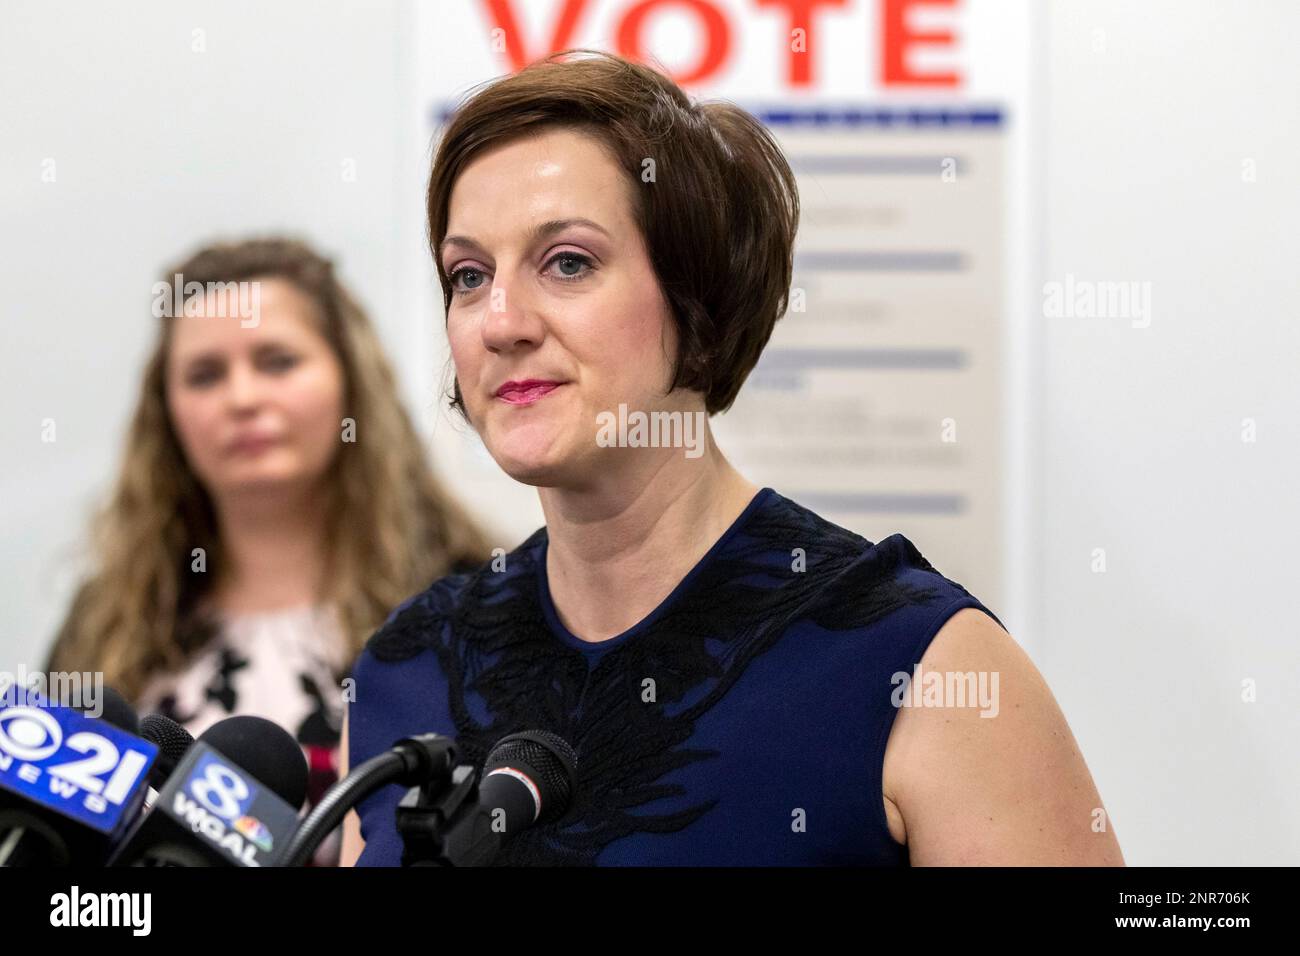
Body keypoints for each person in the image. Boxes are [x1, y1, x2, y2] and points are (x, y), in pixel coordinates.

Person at [341, 50, 1124, 866]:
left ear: (698, 296)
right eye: (468, 276)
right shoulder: (408, 666)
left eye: (567, 262)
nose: (500, 321)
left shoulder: (922, 665)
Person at [44, 237, 492, 865]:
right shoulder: (105, 618)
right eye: (206, 375)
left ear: (349, 384)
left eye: (277, 361)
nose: (243, 398)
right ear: (166, 413)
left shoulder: (471, 602)